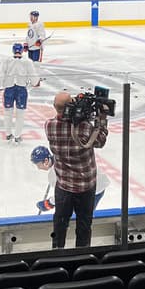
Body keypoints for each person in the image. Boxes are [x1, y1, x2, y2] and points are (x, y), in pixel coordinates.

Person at [45, 92, 109, 248]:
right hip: (85, 186)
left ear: (55, 107)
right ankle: (83, 253)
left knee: (60, 224)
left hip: (64, 186)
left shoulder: (49, 125)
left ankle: (57, 250)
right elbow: (100, 141)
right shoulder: (85, 128)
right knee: (84, 224)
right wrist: (101, 120)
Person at [0, 43, 40, 143]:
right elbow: (33, 76)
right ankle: (18, 135)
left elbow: (0, 75)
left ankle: (8, 134)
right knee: (21, 114)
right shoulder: (27, 62)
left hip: (9, 90)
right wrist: (36, 82)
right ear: (22, 50)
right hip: (21, 91)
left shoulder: (6, 61)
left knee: (8, 113)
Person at [31, 145, 108, 214]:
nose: (38, 168)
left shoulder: (54, 174)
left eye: (38, 164)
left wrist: (48, 204)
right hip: (96, 181)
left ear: (46, 161)